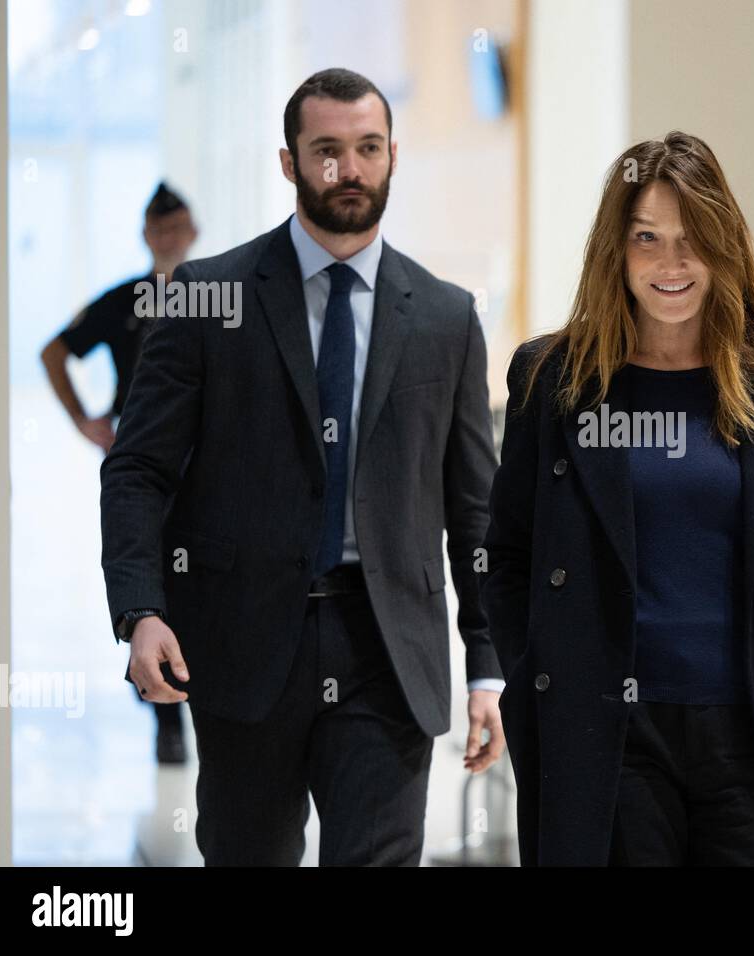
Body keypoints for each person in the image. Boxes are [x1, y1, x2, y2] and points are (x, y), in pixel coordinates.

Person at [99, 68, 505, 865]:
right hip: (243, 647)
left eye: (367, 148)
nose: (348, 170)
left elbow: (476, 511)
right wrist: (140, 610)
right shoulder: (207, 297)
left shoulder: (448, 318)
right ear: (289, 163)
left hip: (387, 653)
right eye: (327, 151)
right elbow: (138, 468)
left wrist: (487, 665)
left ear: (393, 156)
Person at [482, 131, 754, 867]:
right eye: (646, 238)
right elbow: (510, 557)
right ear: (614, 251)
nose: (670, 264)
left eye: (692, 239)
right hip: (611, 738)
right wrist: (544, 684)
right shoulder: (552, 381)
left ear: (725, 246)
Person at [41, 182, 197, 765]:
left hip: (206, 468)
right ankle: (166, 711)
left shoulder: (224, 296)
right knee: (147, 582)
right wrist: (84, 419)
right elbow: (53, 351)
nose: (168, 239)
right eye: (159, 230)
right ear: (144, 235)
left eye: (177, 228)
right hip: (142, 468)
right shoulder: (126, 300)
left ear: (194, 231)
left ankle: (191, 695)